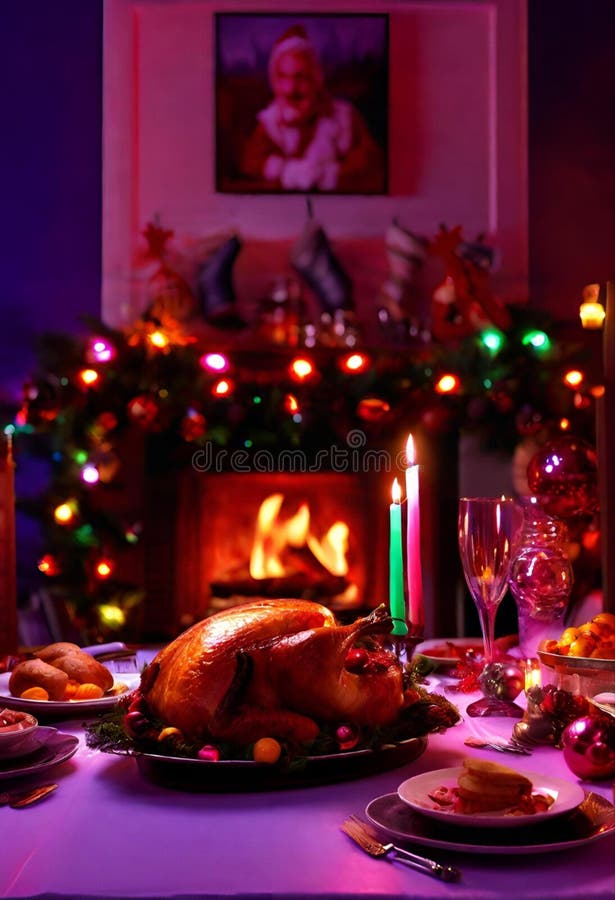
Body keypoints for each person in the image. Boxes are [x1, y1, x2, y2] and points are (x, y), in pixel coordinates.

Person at [240, 25, 385, 193]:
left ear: (316, 78)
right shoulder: (269, 123)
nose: (291, 89)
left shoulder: (345, 117)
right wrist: (288, 173)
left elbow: (371, 164)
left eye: (300, 77)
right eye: (283, 77)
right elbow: (250, 164)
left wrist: (328, 176)